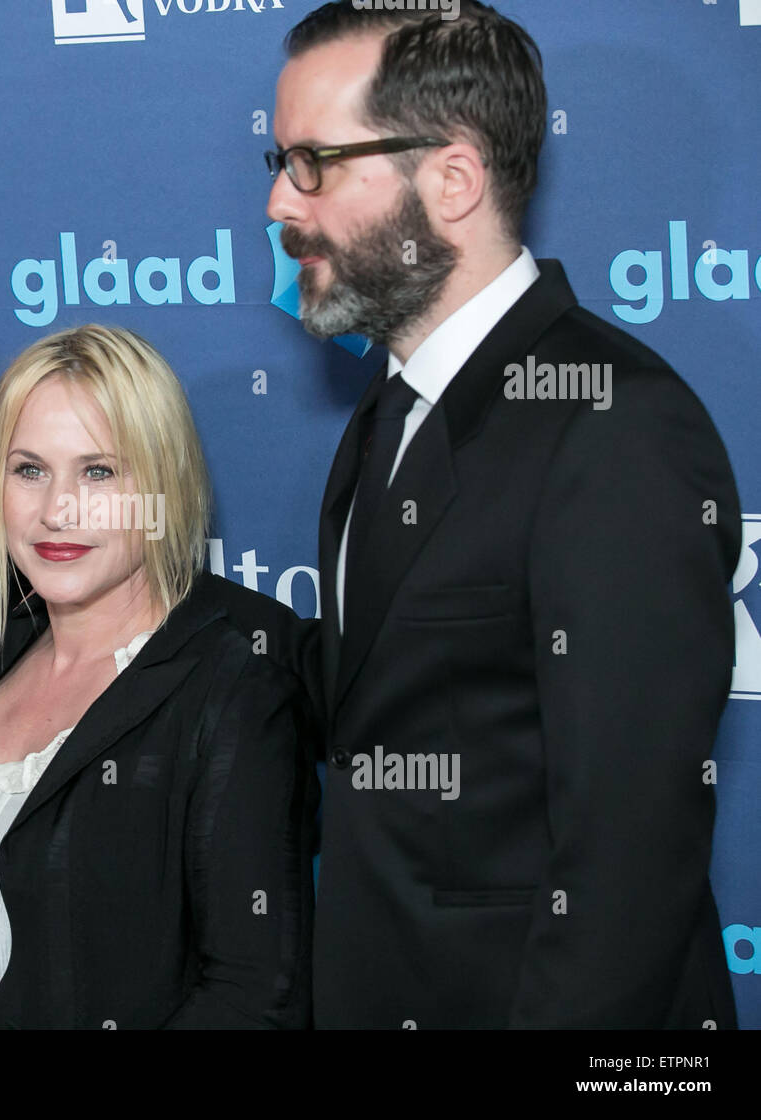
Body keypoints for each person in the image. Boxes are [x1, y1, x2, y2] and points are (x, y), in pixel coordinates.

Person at [265, 2, 740, 1028]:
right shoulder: (386, 411)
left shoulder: (615, 429)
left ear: (451, 180)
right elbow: (378, 695)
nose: (277, 200)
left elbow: (627, 863)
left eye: (313, 162)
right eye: (278, 158)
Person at [0, 324, 317, 1029]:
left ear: (163, 485)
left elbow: (254, 994)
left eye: (98, 471)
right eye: (29, 469)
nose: (55, 510)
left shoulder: (231, 689)